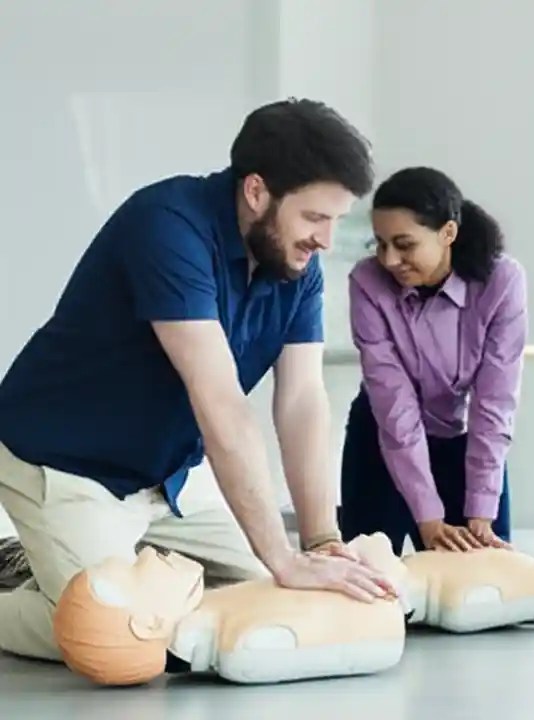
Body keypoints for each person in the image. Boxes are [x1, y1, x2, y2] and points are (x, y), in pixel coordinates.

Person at [0, 98, 396, 662]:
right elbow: (219, 403)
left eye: (336, 220)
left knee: (261, 603)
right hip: (65, 465)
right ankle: (19, 568)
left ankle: (78, 566)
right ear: (257, 191)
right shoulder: (166, 226)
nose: (327, 241)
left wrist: (319, 542)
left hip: (170, 479)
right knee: (119, 638)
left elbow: (303, 401)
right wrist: (281, 556)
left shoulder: (293, 265)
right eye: (314, 218)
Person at [339, 166, 527, 556]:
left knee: (485, 570)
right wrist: (427, 515)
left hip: (462, 440)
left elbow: (493, 404)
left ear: (448, 233)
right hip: (380, 436)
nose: (390, 259)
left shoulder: (502, 282)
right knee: (368, 576)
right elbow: (394, 405)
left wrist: (479, 511)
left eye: (404, 244)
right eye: (380, 243)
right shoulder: (367, 282)